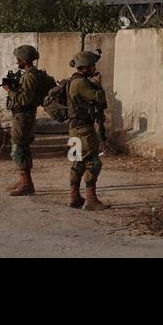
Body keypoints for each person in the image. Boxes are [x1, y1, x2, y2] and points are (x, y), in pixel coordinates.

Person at [1, 44, 45, 196]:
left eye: (18, 59)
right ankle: (24, 181)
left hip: (23, 116)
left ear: (25, 60)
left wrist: (9, 90)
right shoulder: (29, 74)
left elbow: (24, 99)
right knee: (23, 147)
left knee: (18, 149)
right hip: (22, 115)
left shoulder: (30, 76)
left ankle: (26, 183)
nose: (16, 61)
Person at [66, 50, 108, 210]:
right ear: (84, 67)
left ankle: (74, 197)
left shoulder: (74, 81)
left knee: (78, 161)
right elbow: (99, 98)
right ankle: (91, 199)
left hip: (75, 128)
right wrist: (97, 83)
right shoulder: (81, 83)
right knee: (92, 161)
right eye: (92, 65)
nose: (94, 68)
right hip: (83, 129)